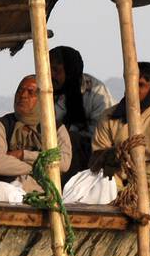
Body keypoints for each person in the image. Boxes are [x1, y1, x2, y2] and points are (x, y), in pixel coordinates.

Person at [90, 61, 150, 204]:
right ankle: (123, 201)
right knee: (100, 183)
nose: (132, 89)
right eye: (130, 82)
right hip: (116, 178)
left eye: (140, 85)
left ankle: (123, 202)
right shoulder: (108, 116)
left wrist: (136, 180)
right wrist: (116, 158)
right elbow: (98, 155)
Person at [0, 75, 72, 203]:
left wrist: (23, 155)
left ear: (42, 99)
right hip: (8, 192)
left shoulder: (56, 129)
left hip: (43, 195)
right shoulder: (0, 125)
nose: (23, 95)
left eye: (31, 92)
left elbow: (63, 163)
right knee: (0, 190)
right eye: (20, 90)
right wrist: (38, 169)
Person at [48, 45, 114, 179]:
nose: (50, 75)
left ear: (70, 71)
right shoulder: (43, 91)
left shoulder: (96, 92)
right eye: (47, 69)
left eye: (55, 70)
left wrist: (67, 135)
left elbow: (101, 132)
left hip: (88, 153)